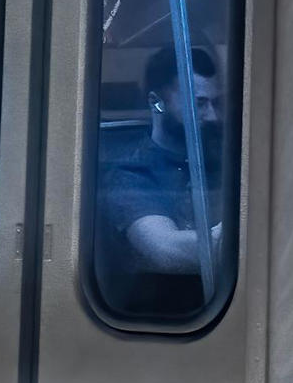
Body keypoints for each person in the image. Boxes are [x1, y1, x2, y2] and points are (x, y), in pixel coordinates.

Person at [89, 51, 227, 325]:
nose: (212, 116)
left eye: (215, 103)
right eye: (199, 104)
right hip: (163, 322)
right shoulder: (130, 173)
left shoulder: (223, 160)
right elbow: (164, 249)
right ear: (157, 103)